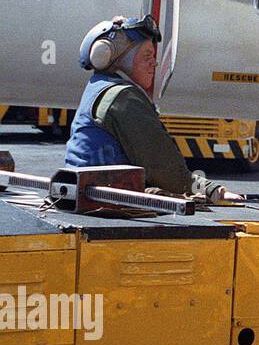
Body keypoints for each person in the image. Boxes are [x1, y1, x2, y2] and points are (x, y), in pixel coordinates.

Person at [65, 15, 243, 205]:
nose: (154, 64)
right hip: (106, 201)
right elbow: (165, 171)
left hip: (87, 194)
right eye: (147, 56)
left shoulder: (98, 87)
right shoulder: (123, 97)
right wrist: (213, 191)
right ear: (122, 60)